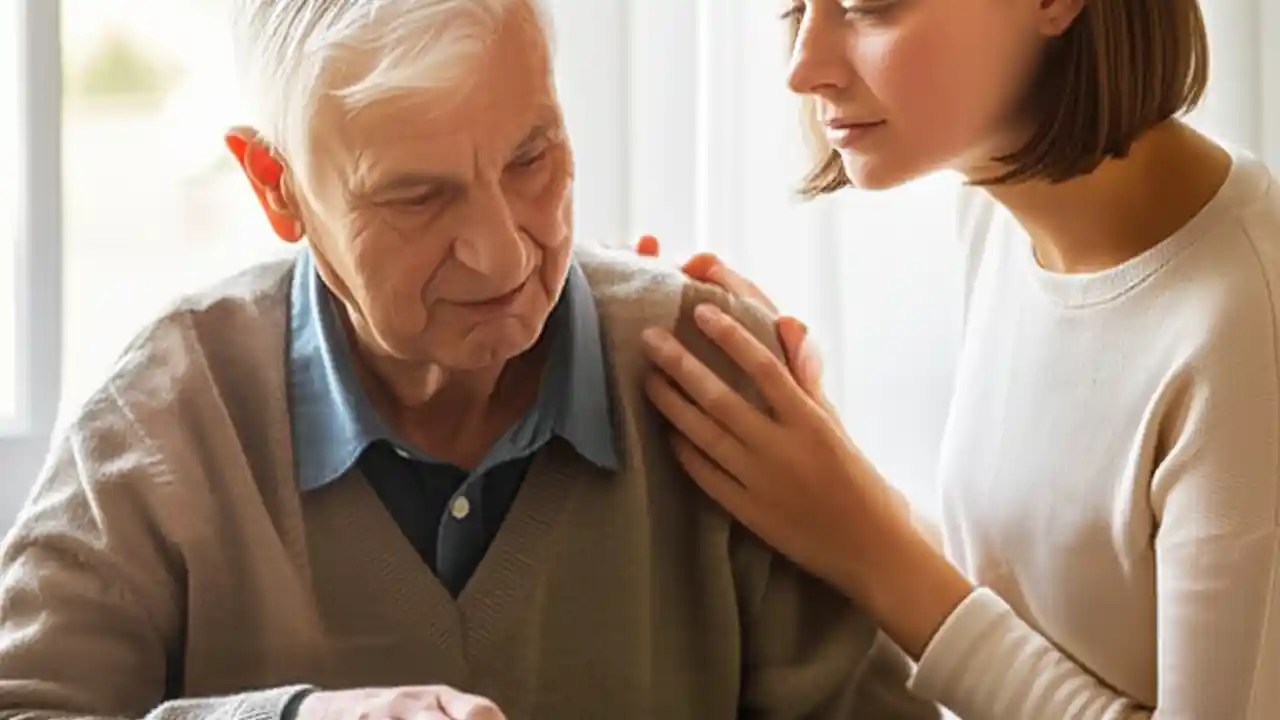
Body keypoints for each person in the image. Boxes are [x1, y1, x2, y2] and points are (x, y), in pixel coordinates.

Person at [0, 1, 939, 719]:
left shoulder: (711, 374)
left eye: (532, 157)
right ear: (276, 187)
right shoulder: (164, 416)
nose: (503, 253)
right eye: (415, 198)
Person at [637, 0, 1280, 718]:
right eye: (795, 6)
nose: (802, 68)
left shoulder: (1243, 326)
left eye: (866, 8)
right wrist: (821, 466)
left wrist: (869, 548)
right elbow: (1030, 607)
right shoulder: (1001, 218)